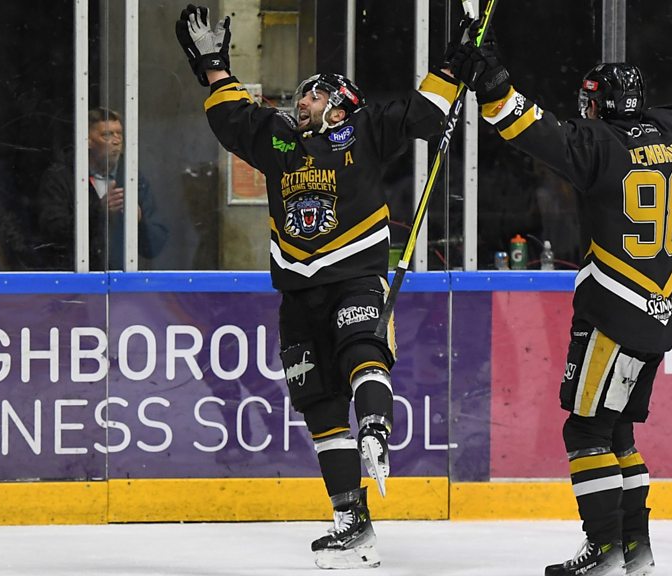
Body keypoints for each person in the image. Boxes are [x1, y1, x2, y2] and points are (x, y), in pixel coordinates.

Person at [449, 4, 672, 575]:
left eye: (588, 99)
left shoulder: (596, 143)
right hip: (658, 313)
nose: (583, 108)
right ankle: (636, 550)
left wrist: (489, 75)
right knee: (618, 431)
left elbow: (523, 123)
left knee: (585, 429)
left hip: (612, 311)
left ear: (600, 103)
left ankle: (605, 548)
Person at [174, 4, 462, 569]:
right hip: (298, 293)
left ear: (339, 101)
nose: (300, 101)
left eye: (312, 94)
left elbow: (424, 112)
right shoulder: (279, 140)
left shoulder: (366, 129)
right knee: (319, 404)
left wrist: (453, 67)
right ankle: (351, 520)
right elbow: (233, 118)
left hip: (355, 277)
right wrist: (213, 66)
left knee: (361, 351)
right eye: (301, 95)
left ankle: (376, 428)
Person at [37, 108, 168, 270]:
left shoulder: (132, 177)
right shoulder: (61, 176)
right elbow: (51, 235)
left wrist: (140, 221)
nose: (116, 141)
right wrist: (98, 211)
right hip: (77, 278)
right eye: (107, 135)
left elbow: (155, 245)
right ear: (87, 141)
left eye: (119, 134)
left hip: (123, 279)